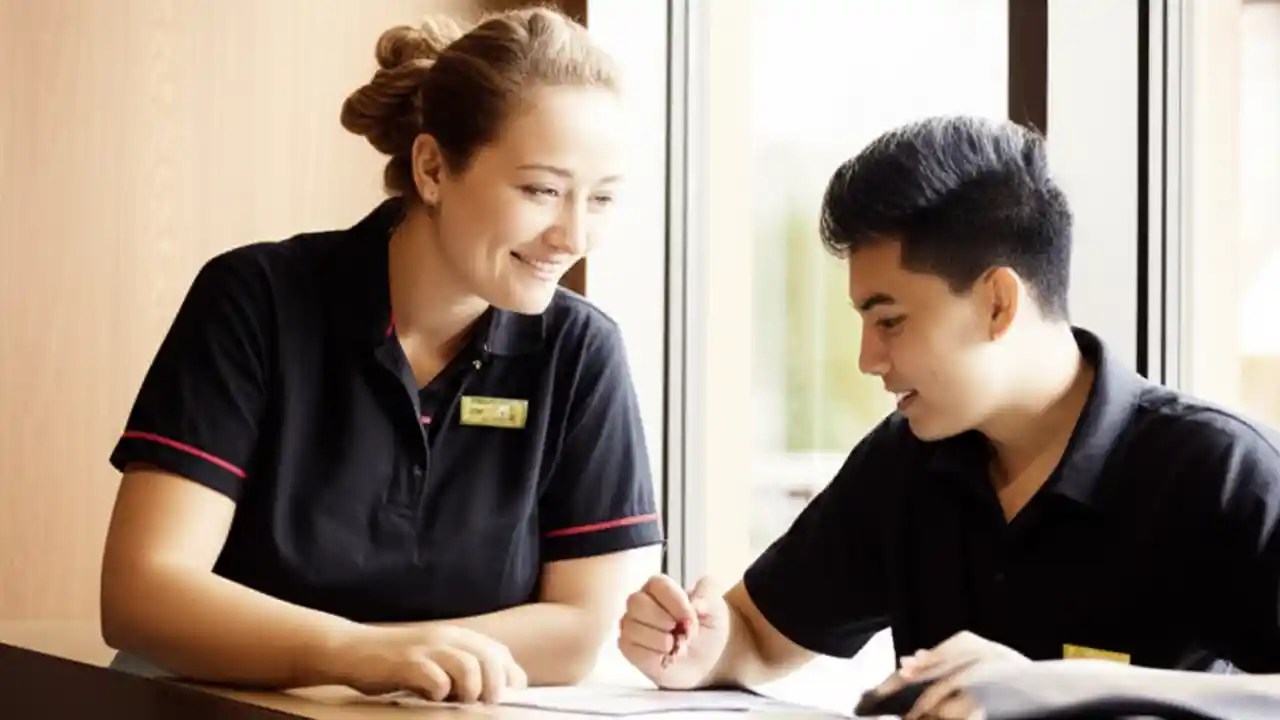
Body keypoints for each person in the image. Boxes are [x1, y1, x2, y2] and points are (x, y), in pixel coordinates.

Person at [617, 116, 1280, 718]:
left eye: (891, 320)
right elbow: (759, 636)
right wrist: (700, 645)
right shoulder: (907, 457)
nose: (867, 359)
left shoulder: (1219, 470)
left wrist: (1069, 688)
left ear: (997, 303)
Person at [100, 7, 662, 705]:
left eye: (602, 199)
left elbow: (581, 630)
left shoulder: (582, 352)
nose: (573, 236)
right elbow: (143, 592)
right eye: (541, 190)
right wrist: (359, 652)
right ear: (431, 168)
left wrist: (404, 660)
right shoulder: (256, 299)